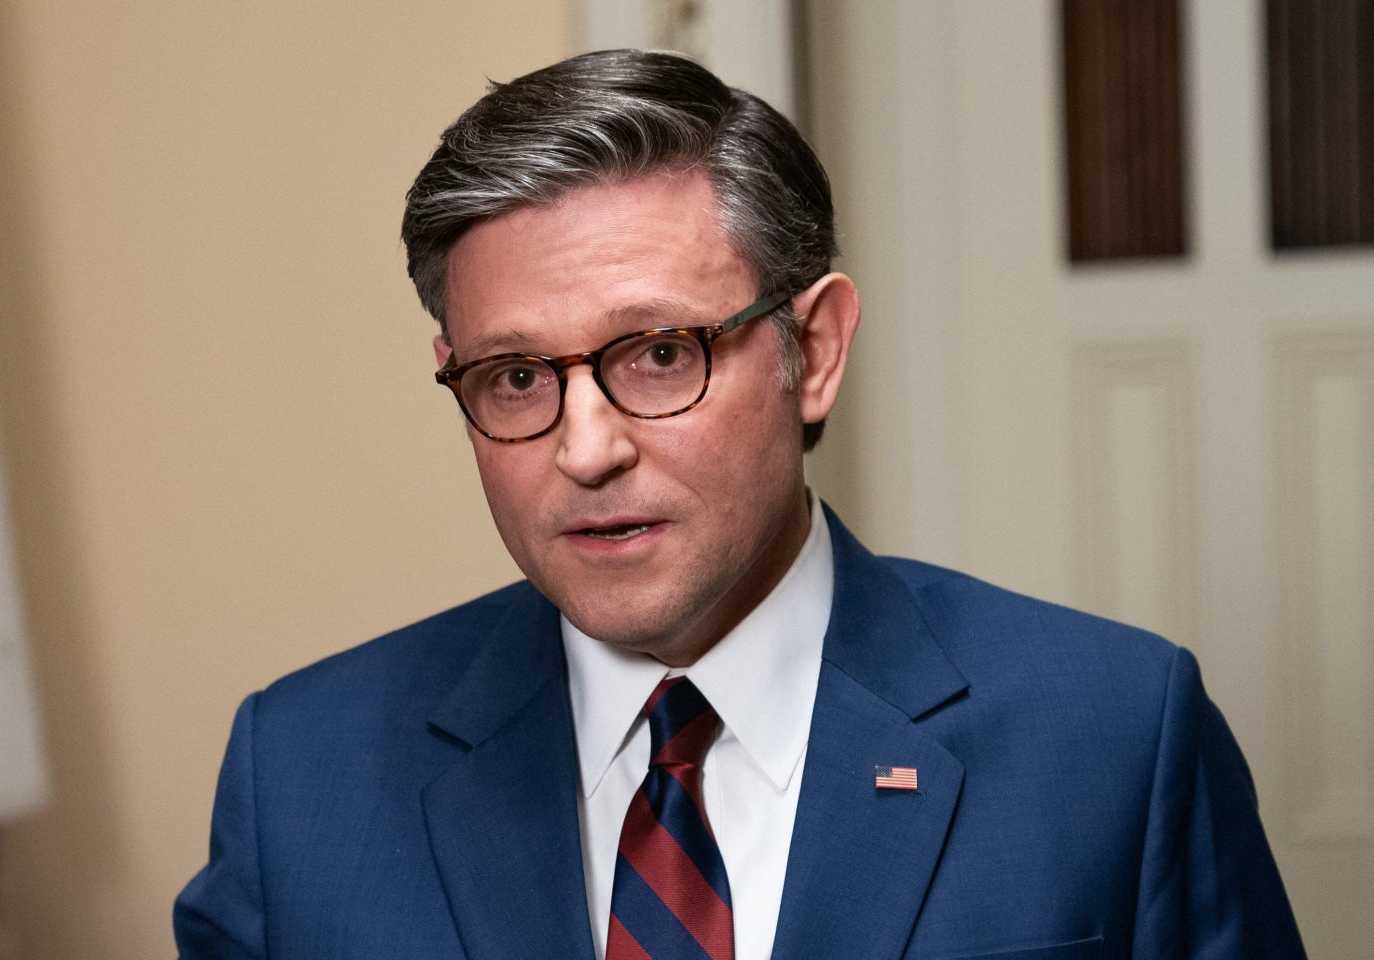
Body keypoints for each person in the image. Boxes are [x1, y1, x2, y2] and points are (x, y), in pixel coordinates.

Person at [174, 49, 1306, 960]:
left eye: (660, 353)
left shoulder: (1112, 733)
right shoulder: (301, 776)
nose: (586, 448)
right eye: (515, 377)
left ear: (812, 351)